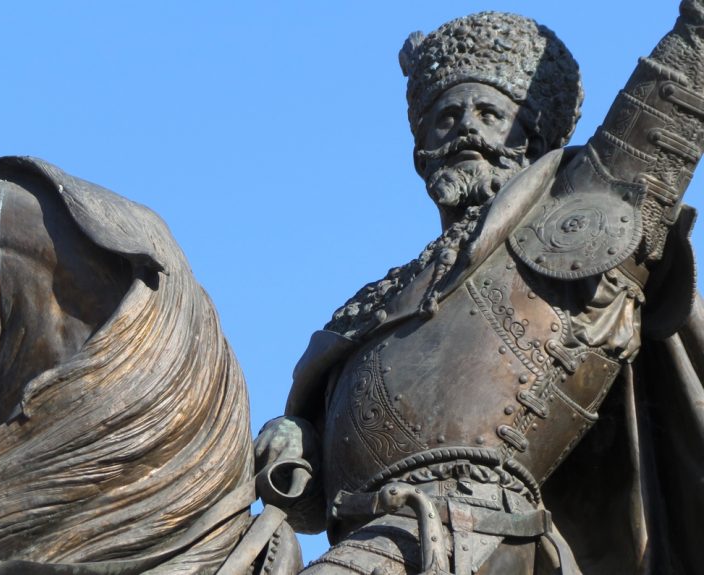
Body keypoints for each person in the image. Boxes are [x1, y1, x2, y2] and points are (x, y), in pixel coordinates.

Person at [255, 5, 704, 574]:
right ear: (421, 150)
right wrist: (294, 434)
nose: (466, 126)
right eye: (445, 116)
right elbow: (313, 485)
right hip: (371, 537)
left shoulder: (568, 225)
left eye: (490, 112)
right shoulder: (373, 301)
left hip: (473, 531)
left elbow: (663, 111)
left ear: (531, 135)